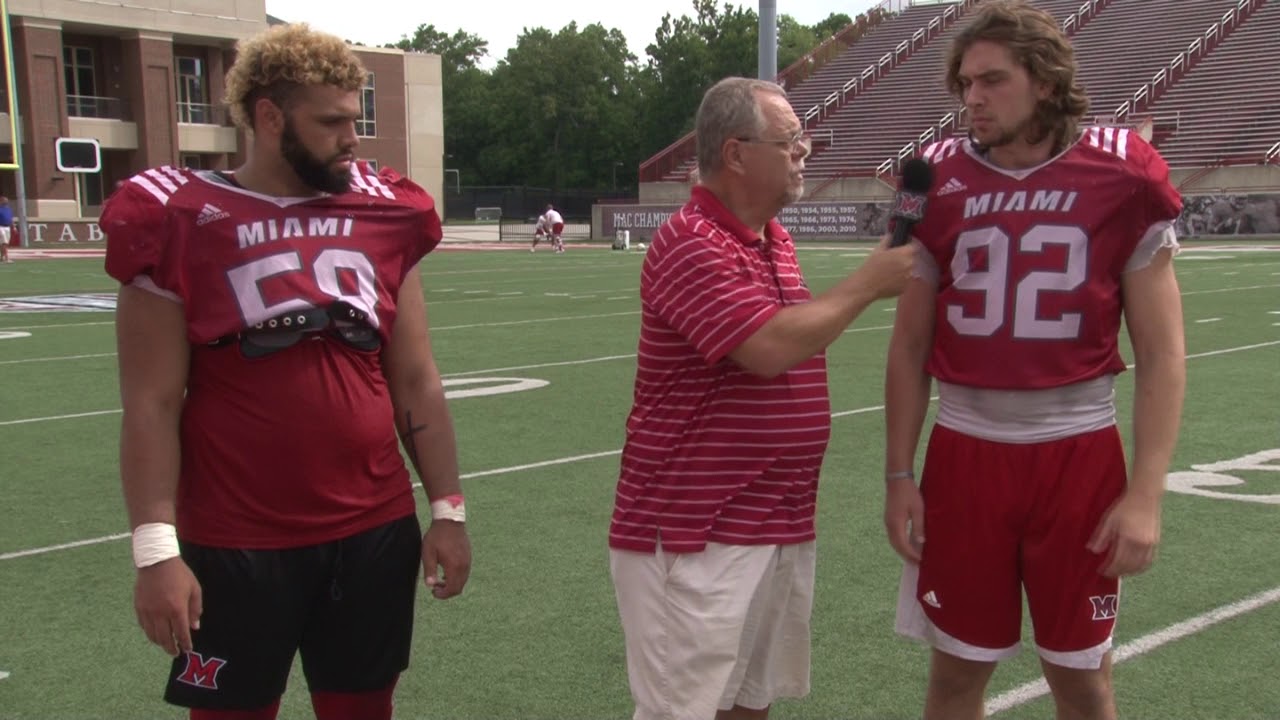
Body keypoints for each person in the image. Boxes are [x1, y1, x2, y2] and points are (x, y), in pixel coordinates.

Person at [100, 23, 471, 720]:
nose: (351, 137)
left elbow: (416, 378)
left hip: (372, 528)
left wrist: (447, 510)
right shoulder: (179, 217)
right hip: (237, 537)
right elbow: (150, 402)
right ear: (269, 117)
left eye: (353, 118)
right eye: (330, 121)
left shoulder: (384, 212)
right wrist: (155, 552)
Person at [882, 2, 1186, 719]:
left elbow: (1163, 349)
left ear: (1045, 82)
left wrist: (1146, 491)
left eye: (991, 81)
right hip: (965, 455)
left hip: (1077, 452)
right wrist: (900, 473)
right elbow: (909, 345)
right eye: (963, 84)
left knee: (1081, 679)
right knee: (955, 675)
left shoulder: (1125, 172)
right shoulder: (933, 178)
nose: (972, 100)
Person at [608, 76, 916, 720]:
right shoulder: (692, 239)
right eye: (791, 140)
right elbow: (769, 349)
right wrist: (867, 283)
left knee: (749, 703)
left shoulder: (772, 239)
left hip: (773, 517)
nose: (804, 151)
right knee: (680, 711)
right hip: (698, 529)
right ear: (737, 154)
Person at [0, 196, 13, 263]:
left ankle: (2, 257)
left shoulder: (8, 209)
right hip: (1, 227)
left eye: (6, 200)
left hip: (7, 227)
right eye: (4, 200)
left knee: (5, 243)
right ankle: (6, 258)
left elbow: (10, 218)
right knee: (4, 242)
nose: (6, 201)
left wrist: (13, 226)